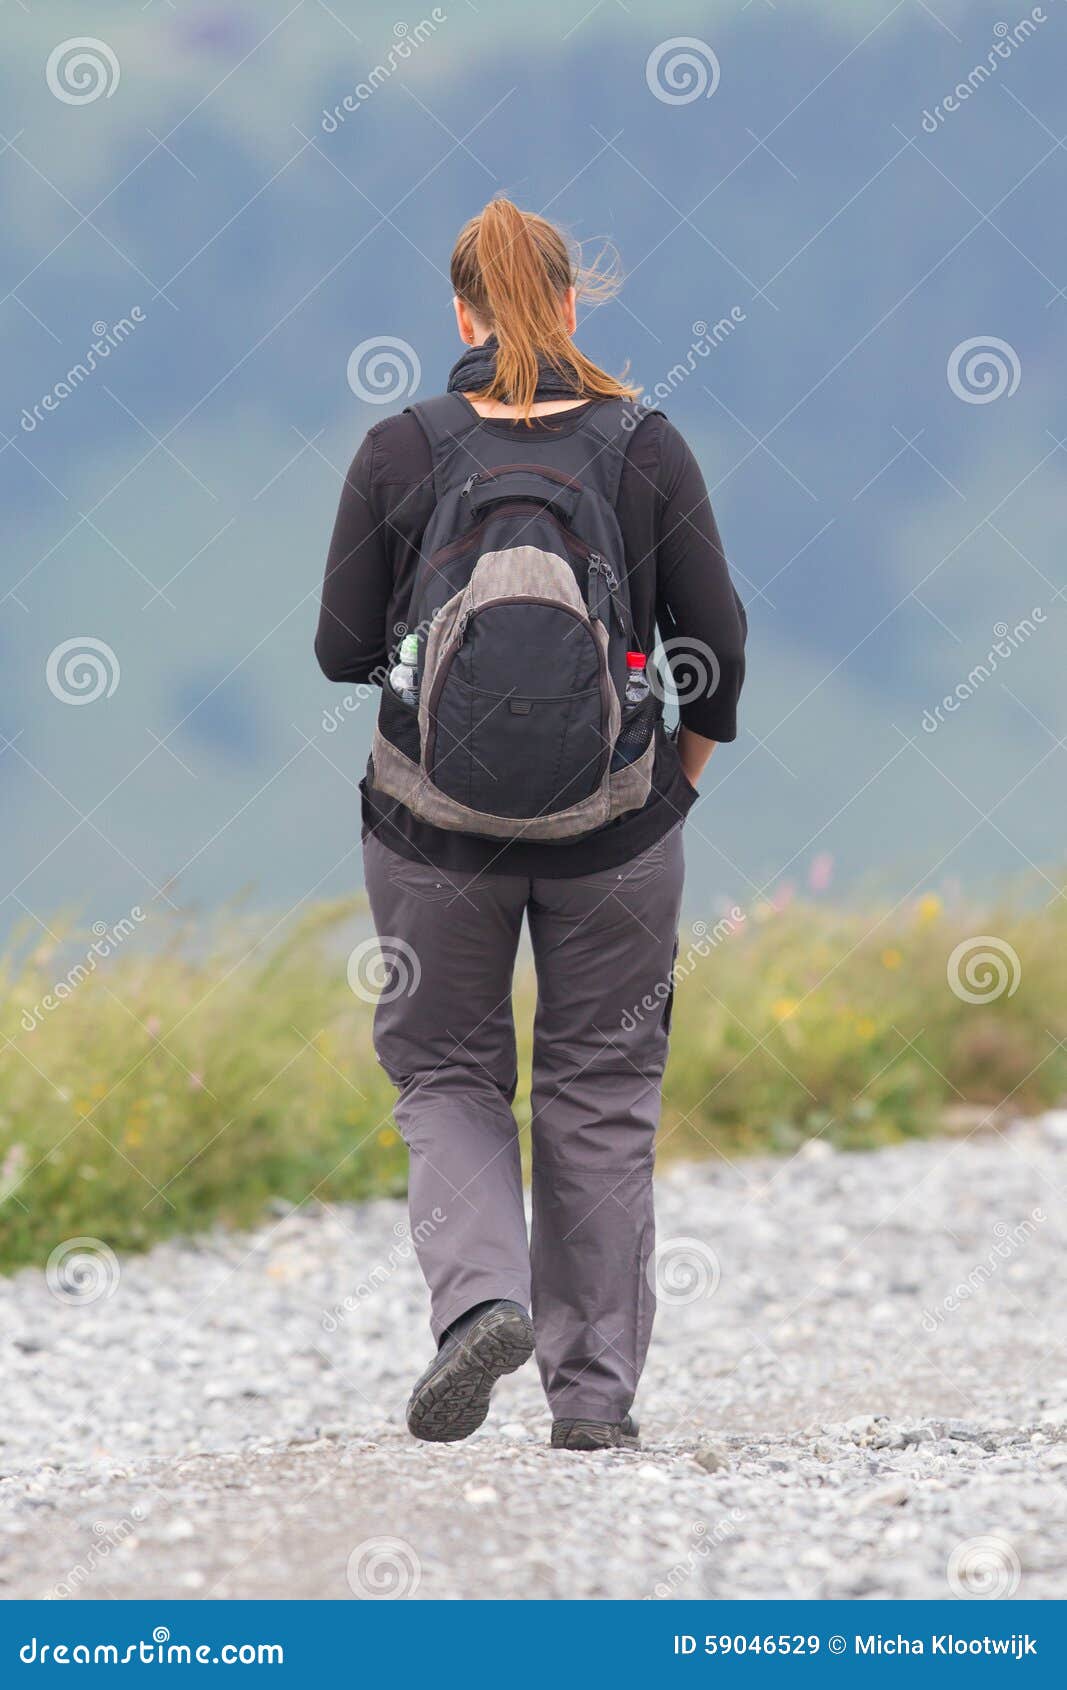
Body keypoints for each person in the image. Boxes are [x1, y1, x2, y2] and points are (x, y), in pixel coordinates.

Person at [316, 197, 746, 1451]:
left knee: (446, 1072)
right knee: (597, 1087)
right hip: (617, 832)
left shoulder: (399, 447)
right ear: (569, 304)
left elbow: (339, 647)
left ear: (461, 315)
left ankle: (479, 1303)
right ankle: (593, 1402)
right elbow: (715, 651)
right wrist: (670, 789)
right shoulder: (644, 444)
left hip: (428, 833)